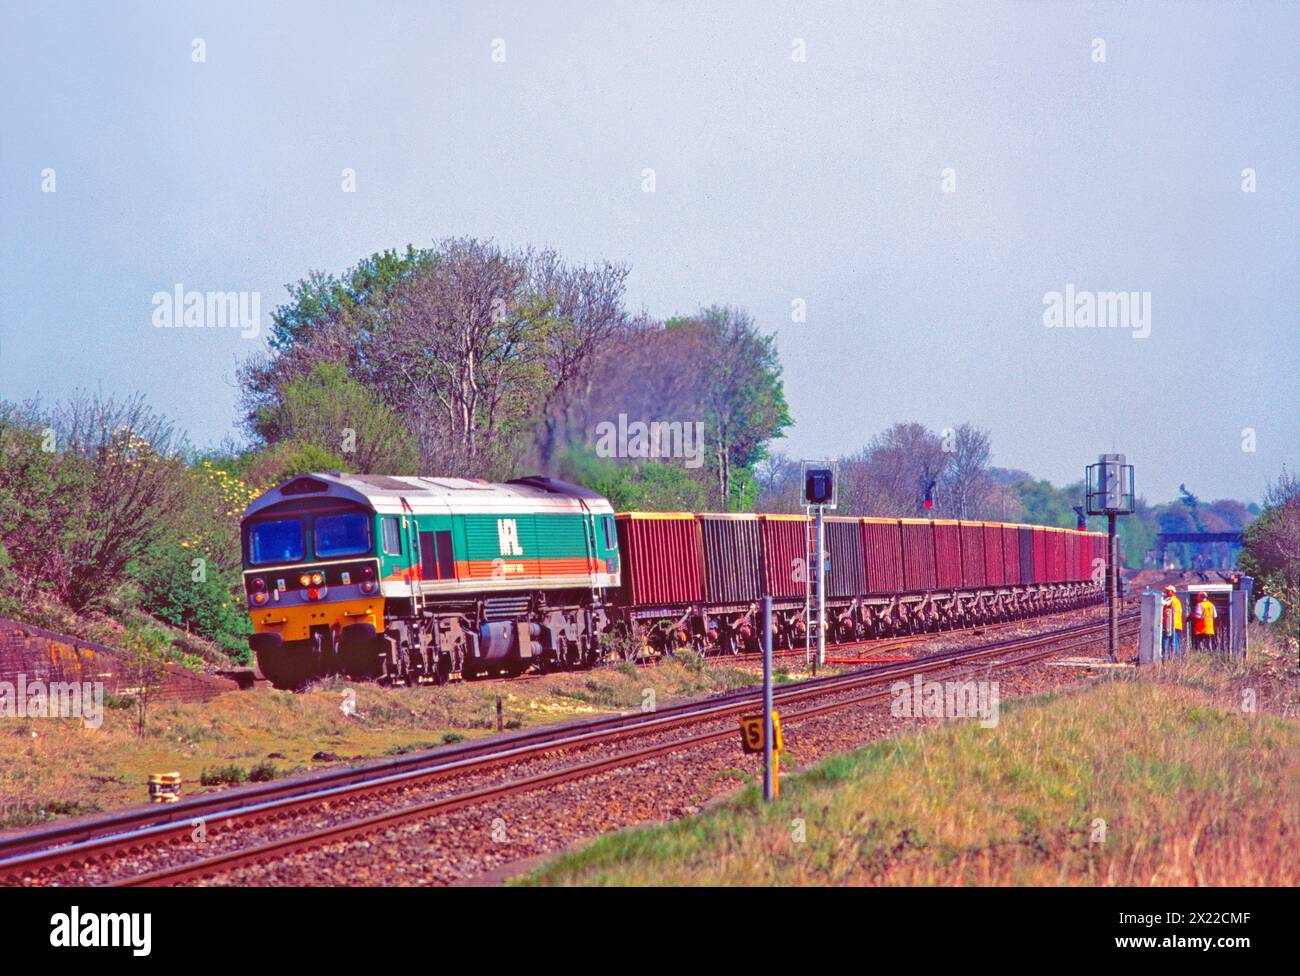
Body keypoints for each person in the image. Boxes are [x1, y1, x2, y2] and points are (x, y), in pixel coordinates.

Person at [1160, 585, 1183, 659]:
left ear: (1172, 592)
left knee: (1168, 640)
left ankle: (1167, 656)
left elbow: (1163, 603)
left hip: (1171, 624)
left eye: (1168, 590)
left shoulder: (1172, 600)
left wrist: (1158, 598)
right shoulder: (1177, 601)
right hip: (1175, 624)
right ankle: (1175, 657)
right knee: (1175, 641)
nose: (1166, 592)